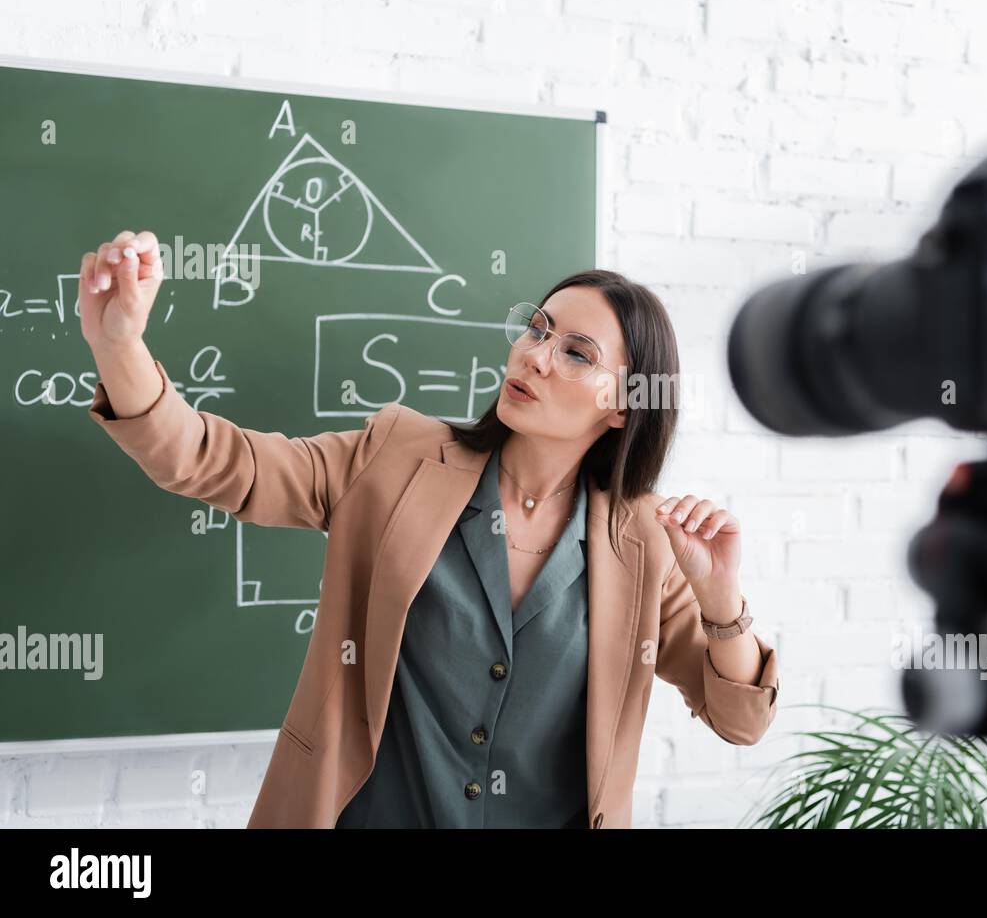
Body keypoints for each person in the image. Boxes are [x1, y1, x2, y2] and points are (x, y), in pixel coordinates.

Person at [80, 229, 780, 828]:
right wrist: (121, 347)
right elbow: (218, 463)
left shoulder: (643, 541)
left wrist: (722, 603)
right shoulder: (396, 455)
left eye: (576, 352)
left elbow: (740, 720)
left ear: (624, 406)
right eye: (536, 328)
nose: (535, 354)